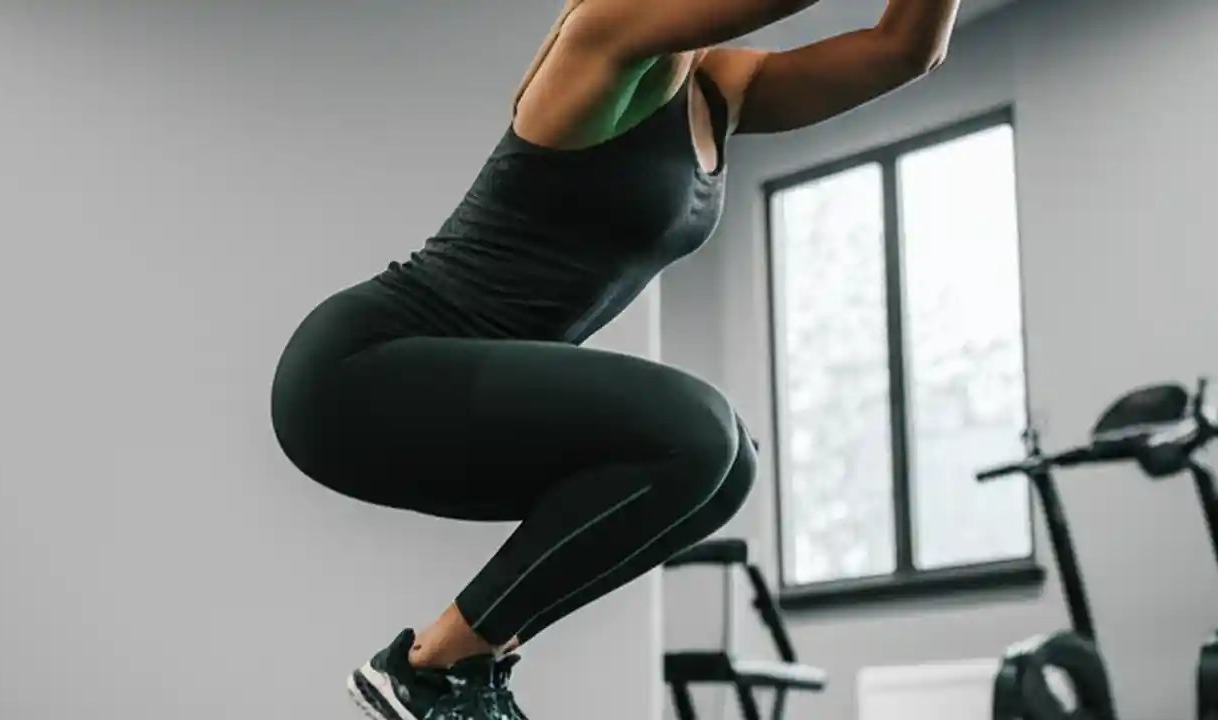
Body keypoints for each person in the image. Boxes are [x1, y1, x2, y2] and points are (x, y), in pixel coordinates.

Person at [270, 0, 960, 717]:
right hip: (357, 374)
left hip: (438, 394)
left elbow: (905, 50)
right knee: (695, 431)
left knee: (725, 470)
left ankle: (455, 673)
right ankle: (427, 668)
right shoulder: (607, 32)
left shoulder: (722, 86)